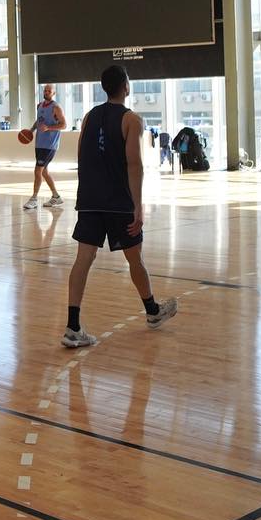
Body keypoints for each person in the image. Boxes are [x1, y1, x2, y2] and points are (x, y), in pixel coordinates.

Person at [60, 65, 177, 349]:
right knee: (135, 259)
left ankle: (73, 327)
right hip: (117, 202)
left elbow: (81, 158)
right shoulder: (132, 120)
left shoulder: (88, 118)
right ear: (126, 86)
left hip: (89, 201)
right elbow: (134, 164)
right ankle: (151, 311)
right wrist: (138, 204)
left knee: (83, 260)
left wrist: (86, 194)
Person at [24, 84, 67, 210]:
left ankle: (34, 199)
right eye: (45, 90)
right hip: (39, 143)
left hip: (49, 145)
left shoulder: (56, 108)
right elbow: (39, 121)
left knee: (38, 171)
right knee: (45, 172)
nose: (47, 92)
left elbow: (64, 125)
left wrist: (49, 128)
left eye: (49, 91)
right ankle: (56, 196)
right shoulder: (40, 105)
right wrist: (31, 130)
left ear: (53, 93)